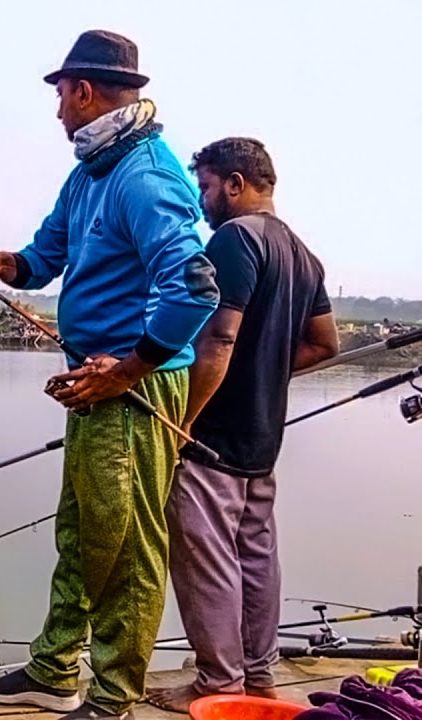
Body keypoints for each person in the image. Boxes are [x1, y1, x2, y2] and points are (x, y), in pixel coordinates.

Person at [0, 30, 219, 719]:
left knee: (127, 546)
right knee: (80, 532)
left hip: (134, 386)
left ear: (82, 91)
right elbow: (45, 257)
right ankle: (53, 670)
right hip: (94, 384)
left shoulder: (145, 175)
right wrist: (1, 262)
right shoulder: (90, 173)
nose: (57, 112)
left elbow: (195, 287)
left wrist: (129, 370)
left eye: (61, 96)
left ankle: (113, 696)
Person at [146, 138, 339, 713]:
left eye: (206, 186)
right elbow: (324, 345)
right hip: (263, 438)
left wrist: (181, 420)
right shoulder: (304, 256)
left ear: (235, 183)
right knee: (256, 557)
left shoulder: (235, 239)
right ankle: (258, 677)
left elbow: (220, 337)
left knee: (205, 560)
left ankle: (216, 684)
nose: (202, 200)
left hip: (213, 435)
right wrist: (266, 369)